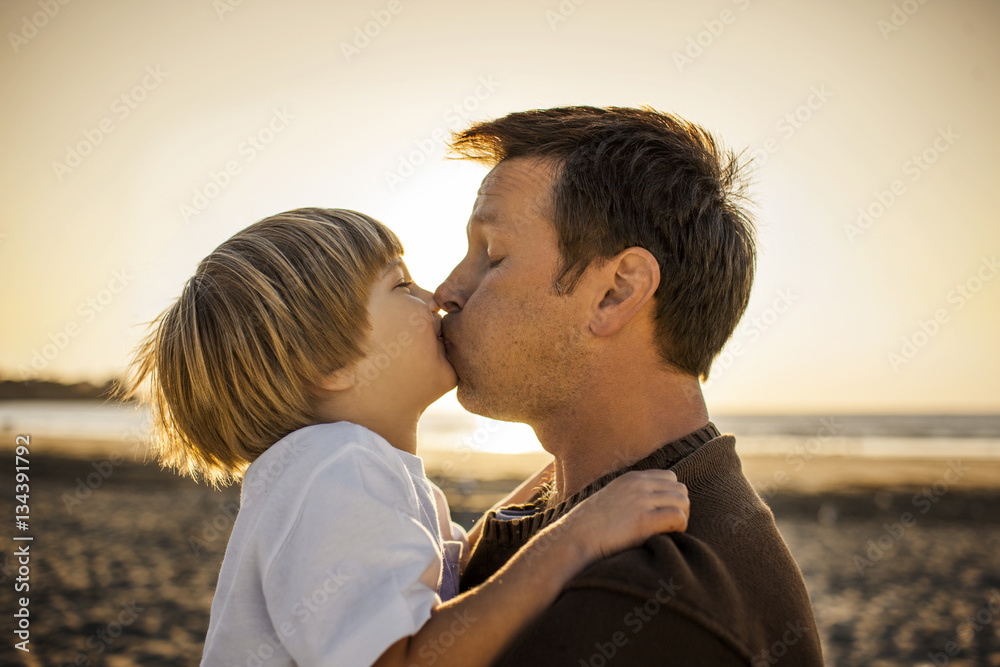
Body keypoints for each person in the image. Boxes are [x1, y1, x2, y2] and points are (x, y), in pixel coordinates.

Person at [123, 207, 693, 667]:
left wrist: (561, 474)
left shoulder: (354, 470)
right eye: (402, 285)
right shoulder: (333, 468)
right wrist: (577, 537)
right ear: (327, 362)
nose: (437, 297)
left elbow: (451, 577)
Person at [434, 106, 825, 665]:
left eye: (492, 255)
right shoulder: (575, 509)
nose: (447, 292)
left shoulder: (643, 603)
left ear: (616, 292)